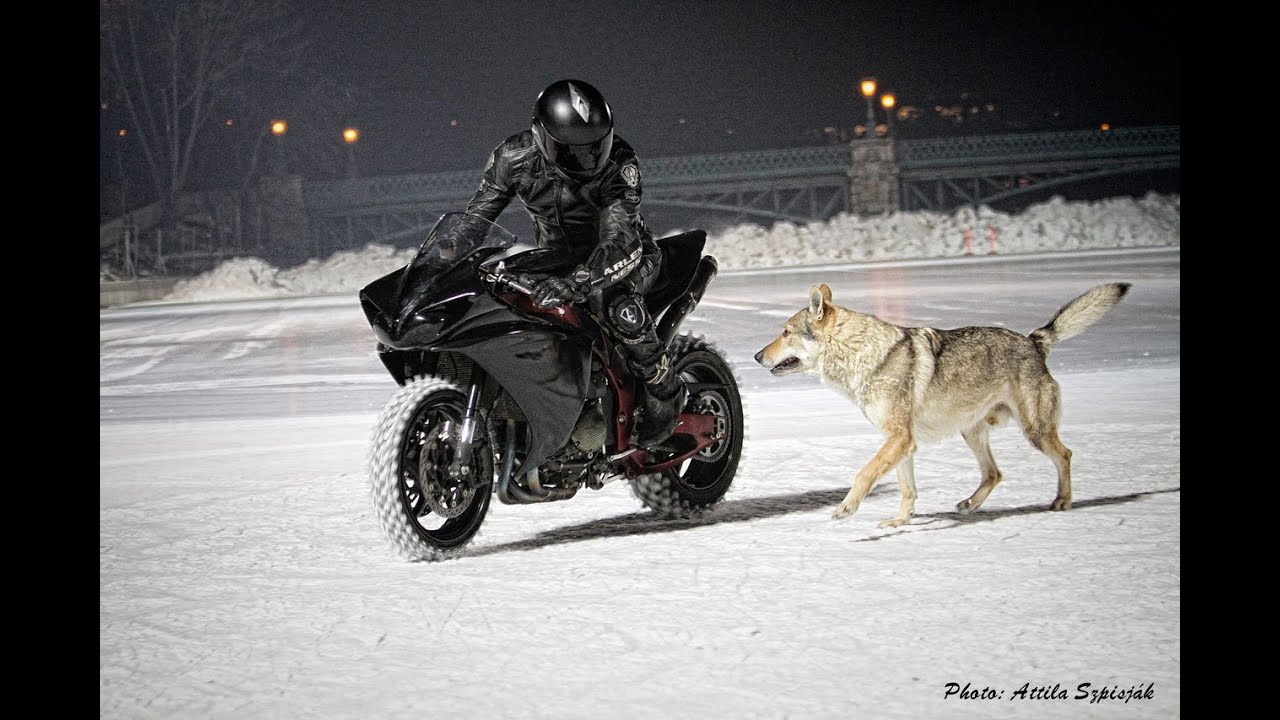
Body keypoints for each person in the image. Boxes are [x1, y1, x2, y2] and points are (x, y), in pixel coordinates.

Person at [463, 78, 686, 447]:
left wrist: (577, 283)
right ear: (541, 137)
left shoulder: (619, 163)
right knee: (505, 300)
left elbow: (619, 239)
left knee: (615, 305)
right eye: (573, 151)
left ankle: (665, 389)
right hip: (555, 258)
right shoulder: (513, 157)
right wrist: (443, 259)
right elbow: (475, 220)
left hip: (627, 255)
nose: (587, 159)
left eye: (595, 148)